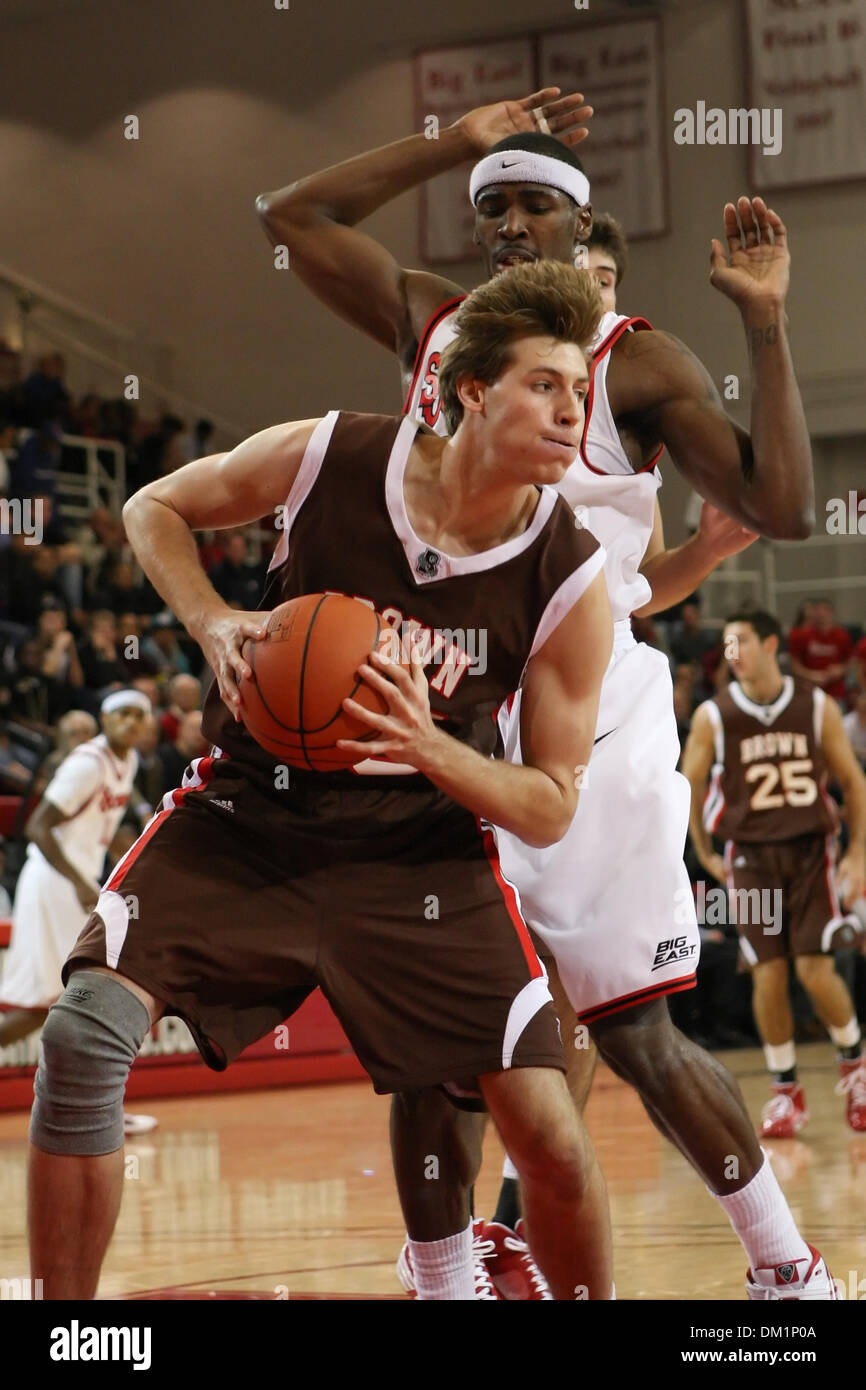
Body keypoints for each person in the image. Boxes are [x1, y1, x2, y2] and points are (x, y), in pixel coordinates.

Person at [257, 89, 835, 1301]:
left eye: (533, 202)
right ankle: (446, 1280)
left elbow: (782, 507)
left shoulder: (639, 361)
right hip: (452, 710)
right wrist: (451, 141)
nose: (509, 222)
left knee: (630, 1030)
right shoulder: (434, 324)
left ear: (580, 225)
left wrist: (769, 329)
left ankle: (789, 1278)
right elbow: (294, 216)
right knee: (433, 1044)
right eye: (492, 206)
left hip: (596, 723)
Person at [28, 262, 617, 1302]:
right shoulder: (333, 454)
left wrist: (432, 746)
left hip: (419, 848)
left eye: (580, 392)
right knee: (80, 1036)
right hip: (250, 817)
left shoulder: (568, 572)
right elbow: (152, 505)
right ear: (472, 389)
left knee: (550, 1141)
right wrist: (213, 620)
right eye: (544, 385)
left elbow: (553, 802)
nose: (572, 411)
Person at [682, 609, 866, 1135]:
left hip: (810, 851)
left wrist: (856, 855)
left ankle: (855, 1070)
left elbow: (854, 783)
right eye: (725, 643)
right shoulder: (714, 715)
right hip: (750, 858)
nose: (730, 652)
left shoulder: (815, 705)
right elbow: (688, 785)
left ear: (770, 644)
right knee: (768, 971)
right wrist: (705, 849)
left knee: (814, 969)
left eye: (739, 641)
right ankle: (787, 1093)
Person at [0, 689, 156, 1135]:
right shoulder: (88, 762)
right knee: (89, 994)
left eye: (139, 715)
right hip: (55, 884)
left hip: (71, 886)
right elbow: (37, 826)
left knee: (60, 1003)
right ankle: (99, 1109)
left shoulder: (125, 763)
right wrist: (82, 884)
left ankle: (92, 1108)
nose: (131, 721)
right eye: (121, 713)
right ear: (104, 720)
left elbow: (98, 832)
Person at [788, 599, 853, 706]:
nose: (821, 615)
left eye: (825, 611)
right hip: (810, 691)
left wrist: (840, 669)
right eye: (818, 612)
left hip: (836, 692)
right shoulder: (802, 635)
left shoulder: (842, 635)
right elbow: (794, 665)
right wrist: (811, 675)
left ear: (831, 613)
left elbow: (850, 661)